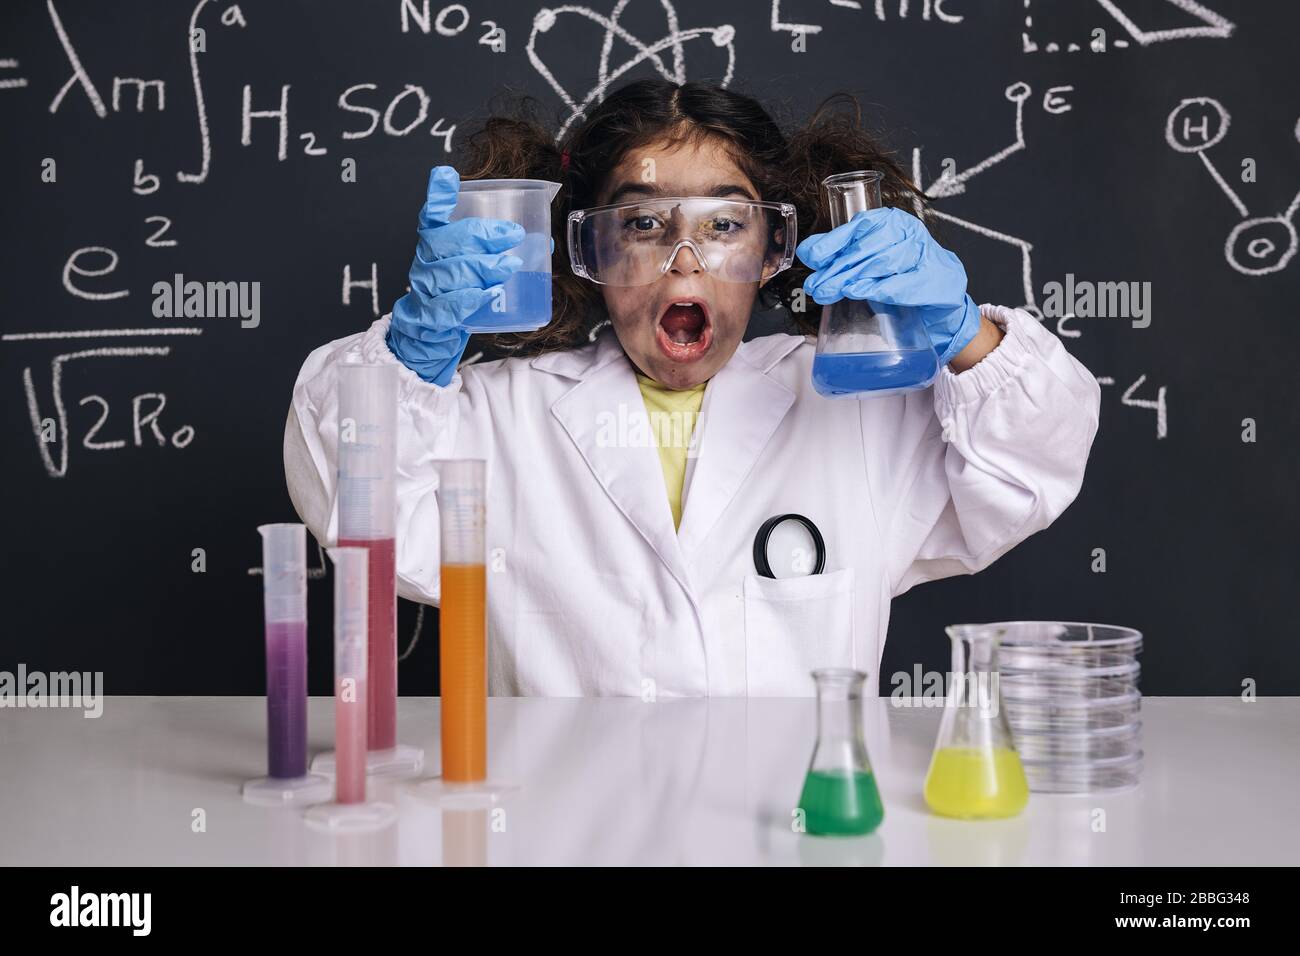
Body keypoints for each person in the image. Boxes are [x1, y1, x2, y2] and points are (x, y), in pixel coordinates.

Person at [285, 80, 1100, 697]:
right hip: (563, 839)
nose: (686, 259)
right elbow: (359, 521)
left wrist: (963, 333)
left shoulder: (854, 413)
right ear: (588, 252)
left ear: (779, 248)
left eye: (725, 224)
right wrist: (416, 349)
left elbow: (1028, 471)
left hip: (797, 837)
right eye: (642, 224)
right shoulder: (502, 418)